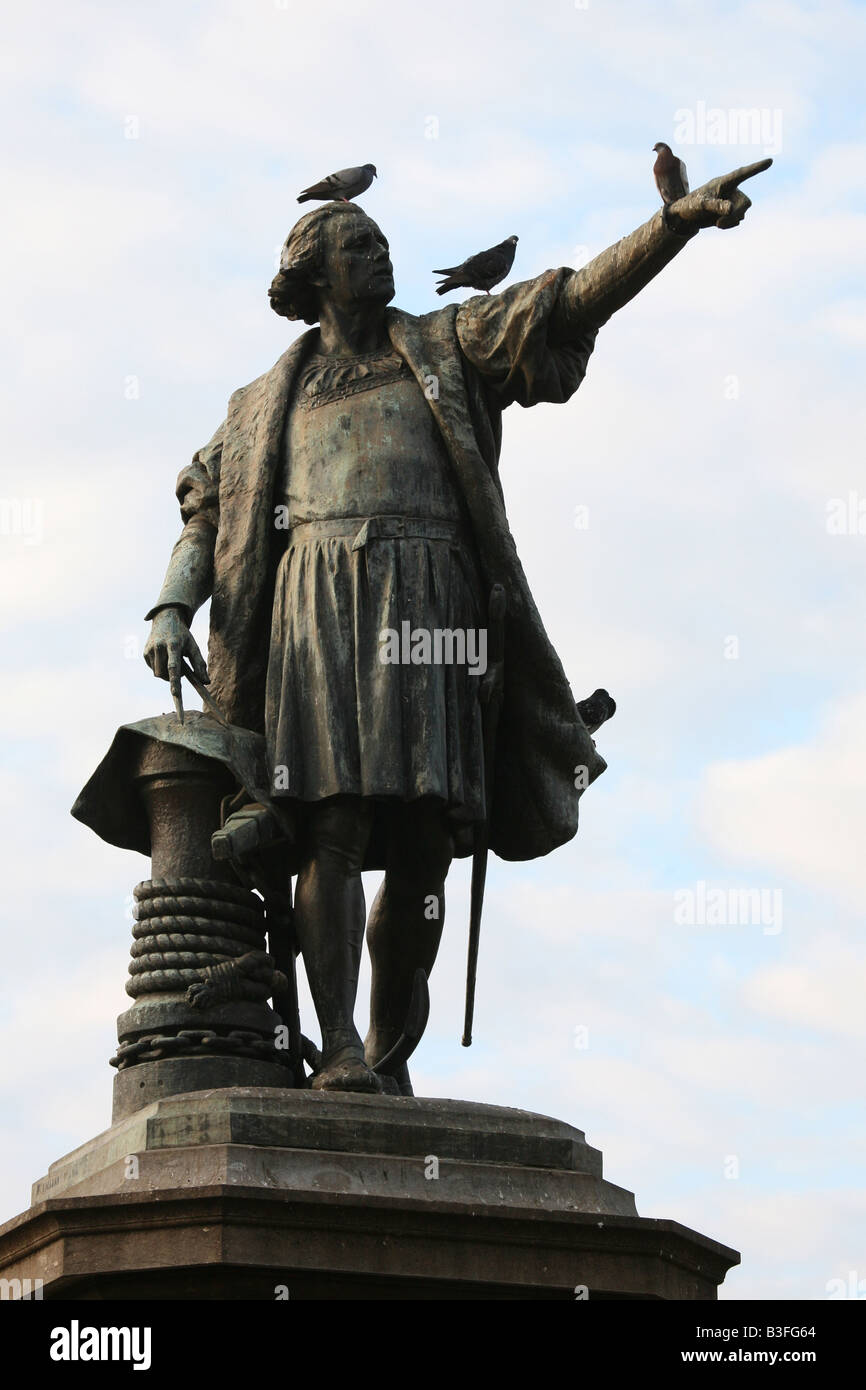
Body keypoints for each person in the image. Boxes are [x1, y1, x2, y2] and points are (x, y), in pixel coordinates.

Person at [143, 161, 770, 1092]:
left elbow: (560, 306)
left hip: (434, 608)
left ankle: (393, 1048)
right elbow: (209, 515)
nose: (380, 253)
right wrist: (170, 605)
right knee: (335, 827)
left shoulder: (446, 343)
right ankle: (341, 1045)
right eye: (358, 245)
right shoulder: (259, 406)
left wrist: (668, 228)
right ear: (313, 272)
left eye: (383, 241)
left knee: (430, 837)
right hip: (319, 612)